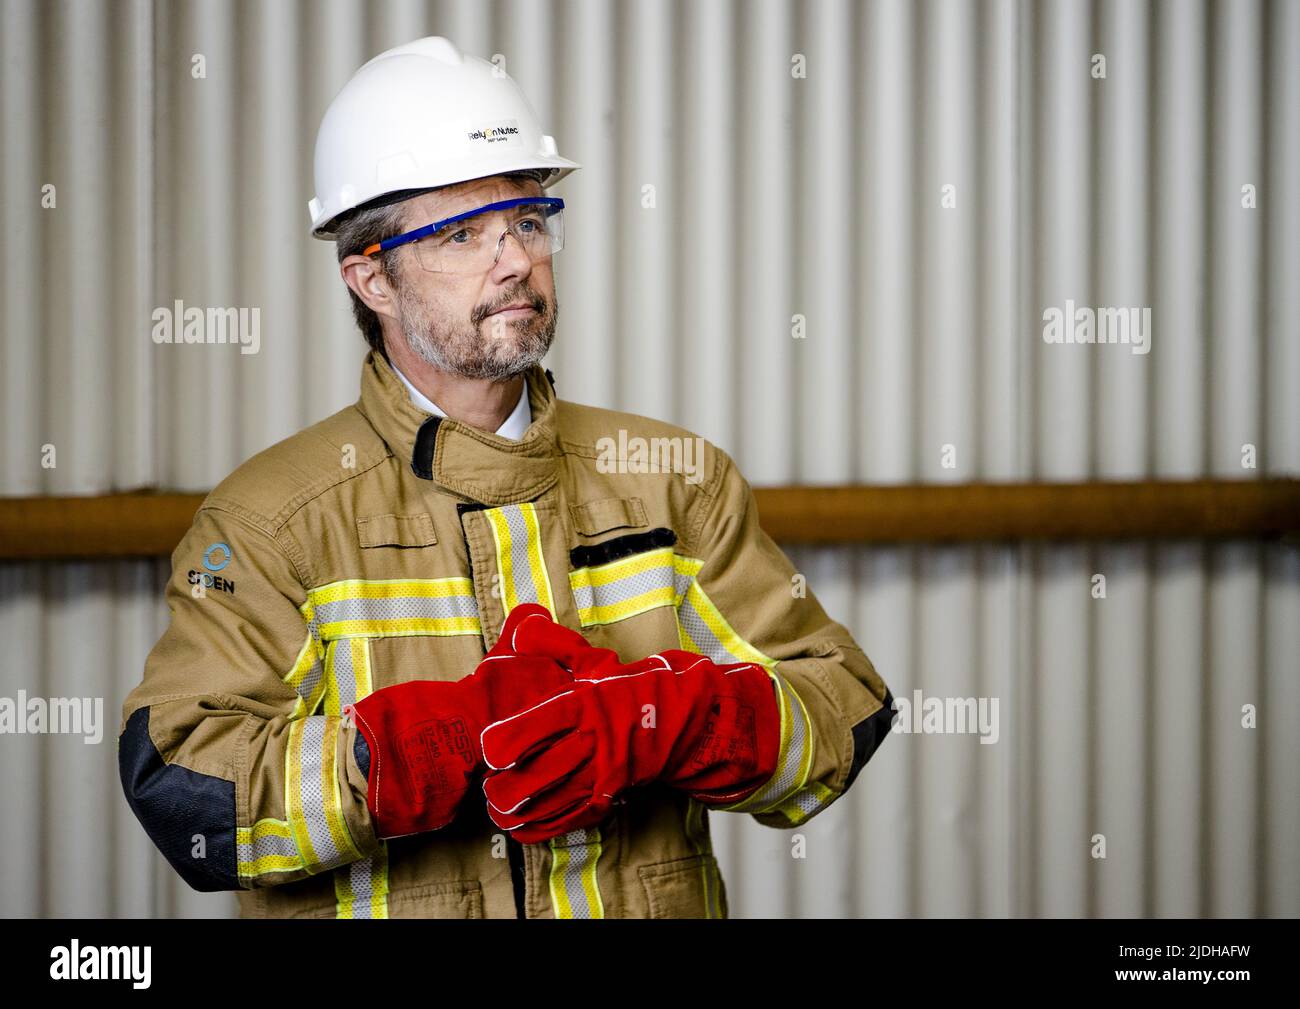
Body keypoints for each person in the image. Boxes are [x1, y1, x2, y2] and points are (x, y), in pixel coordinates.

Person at [117, 35, 894, 920]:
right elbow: (184, 790)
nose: (517, 259)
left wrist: (678, 719)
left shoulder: (675, 483)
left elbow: (848, 704)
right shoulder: (270, 521)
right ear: (372, 277)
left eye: (528, 220)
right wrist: (415, 750)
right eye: (460, 233)